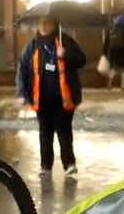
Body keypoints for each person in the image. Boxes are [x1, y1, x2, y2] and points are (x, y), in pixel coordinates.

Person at [17, 16, 87, 175]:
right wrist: (21, 92)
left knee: (64, 131)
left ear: (54, 24)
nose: (43, 26)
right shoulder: (32, 45)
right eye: (40, 23)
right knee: (45, 132)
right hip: (42, 98)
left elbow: (82, 60)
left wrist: (66, 54)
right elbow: (22, 68)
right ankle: (45, 165)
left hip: (63, 97)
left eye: (46, 22)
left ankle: (69, 163)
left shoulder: (65, 41)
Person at [106, 21, 124, 91]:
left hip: (114, 52)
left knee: (114, 68)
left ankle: (109, 83)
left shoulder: (112, 29)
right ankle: (123, 87)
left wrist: (105, 52)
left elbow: (107, 41)